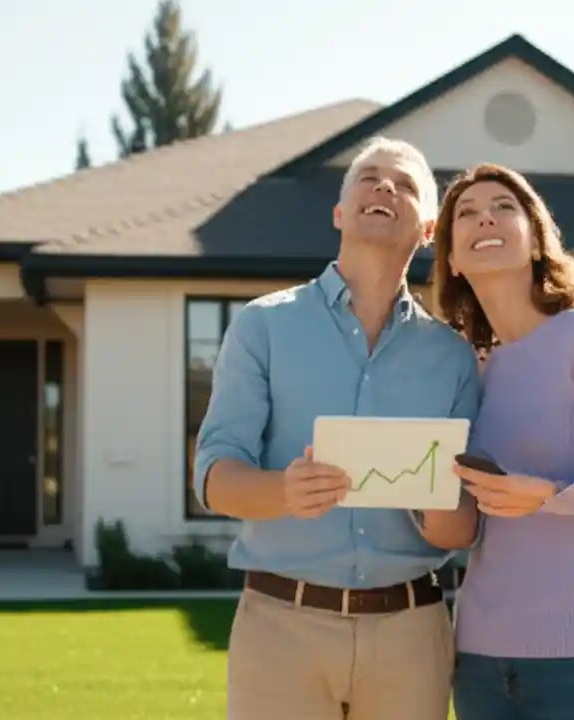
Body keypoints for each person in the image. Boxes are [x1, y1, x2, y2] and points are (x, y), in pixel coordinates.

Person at [193, 137, 483, 720]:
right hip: (280, 631)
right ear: (340, 211)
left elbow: (461, 530)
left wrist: (428, 497)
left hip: (410, 637)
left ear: (429, 228)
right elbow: (213, 477)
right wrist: (284, 492)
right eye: (369, 178)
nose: (385, 188)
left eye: (404, 185)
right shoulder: (263, 326)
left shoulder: (453, 357)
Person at [432, 162, 574, 720]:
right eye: (465, 213)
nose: (484, 216)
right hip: (479, 661)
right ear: (454, 259)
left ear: (537, 241)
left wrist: (547, 493)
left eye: (504, 207)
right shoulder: (463, 368)